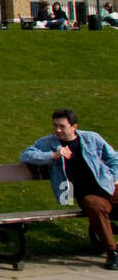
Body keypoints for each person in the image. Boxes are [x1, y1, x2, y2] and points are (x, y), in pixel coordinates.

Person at [21, 108, 118, 270]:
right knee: (94, 207)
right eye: (55, 126)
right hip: (87, 194)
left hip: (108, 186)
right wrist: (53, 156)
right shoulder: (49, 143)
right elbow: (25, 155)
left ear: (74, 126)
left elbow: (114, 157)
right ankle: (112, 252)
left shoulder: (91, 138)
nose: (58, 130)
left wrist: (116, 179)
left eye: (62, 126)